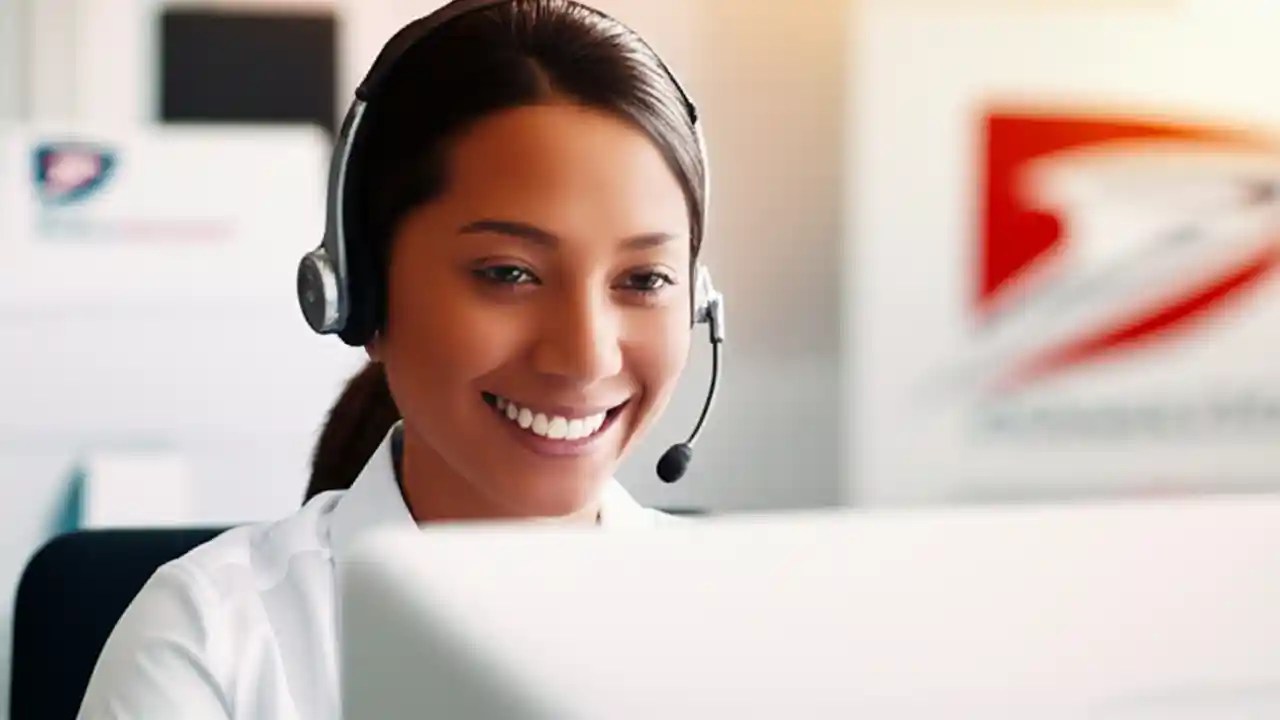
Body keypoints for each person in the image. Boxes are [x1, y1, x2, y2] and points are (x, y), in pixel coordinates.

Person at [75, 1, 714, 718]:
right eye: (508, 273)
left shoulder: (750, 621)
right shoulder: (214, 639)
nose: (585, 358)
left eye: (644, 279)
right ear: (363, 295)